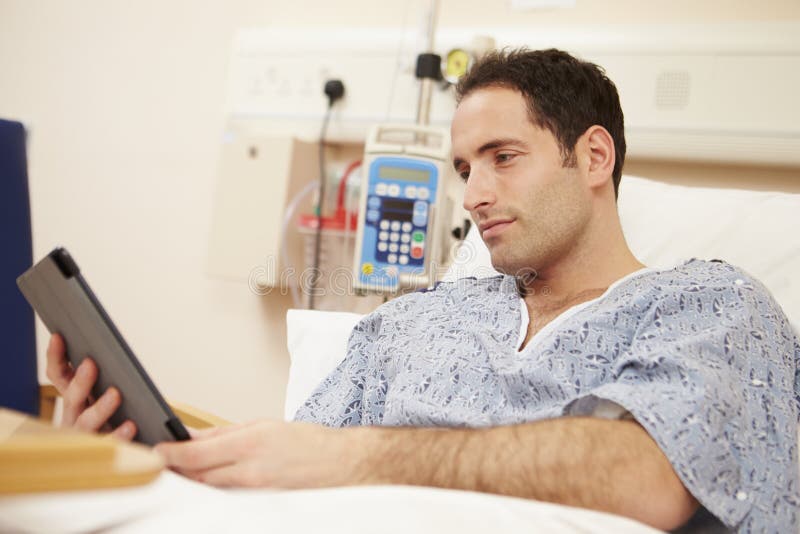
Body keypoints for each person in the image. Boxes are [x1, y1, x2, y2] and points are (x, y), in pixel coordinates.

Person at [46, 49, 799, 533]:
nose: (474, 194)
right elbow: (293, 463)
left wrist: (358, 460)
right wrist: (131, 451)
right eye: (464, 169)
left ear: (593, 156)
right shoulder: (413, 322)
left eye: (504, 157)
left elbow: (650, 479)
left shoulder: (711, 307)